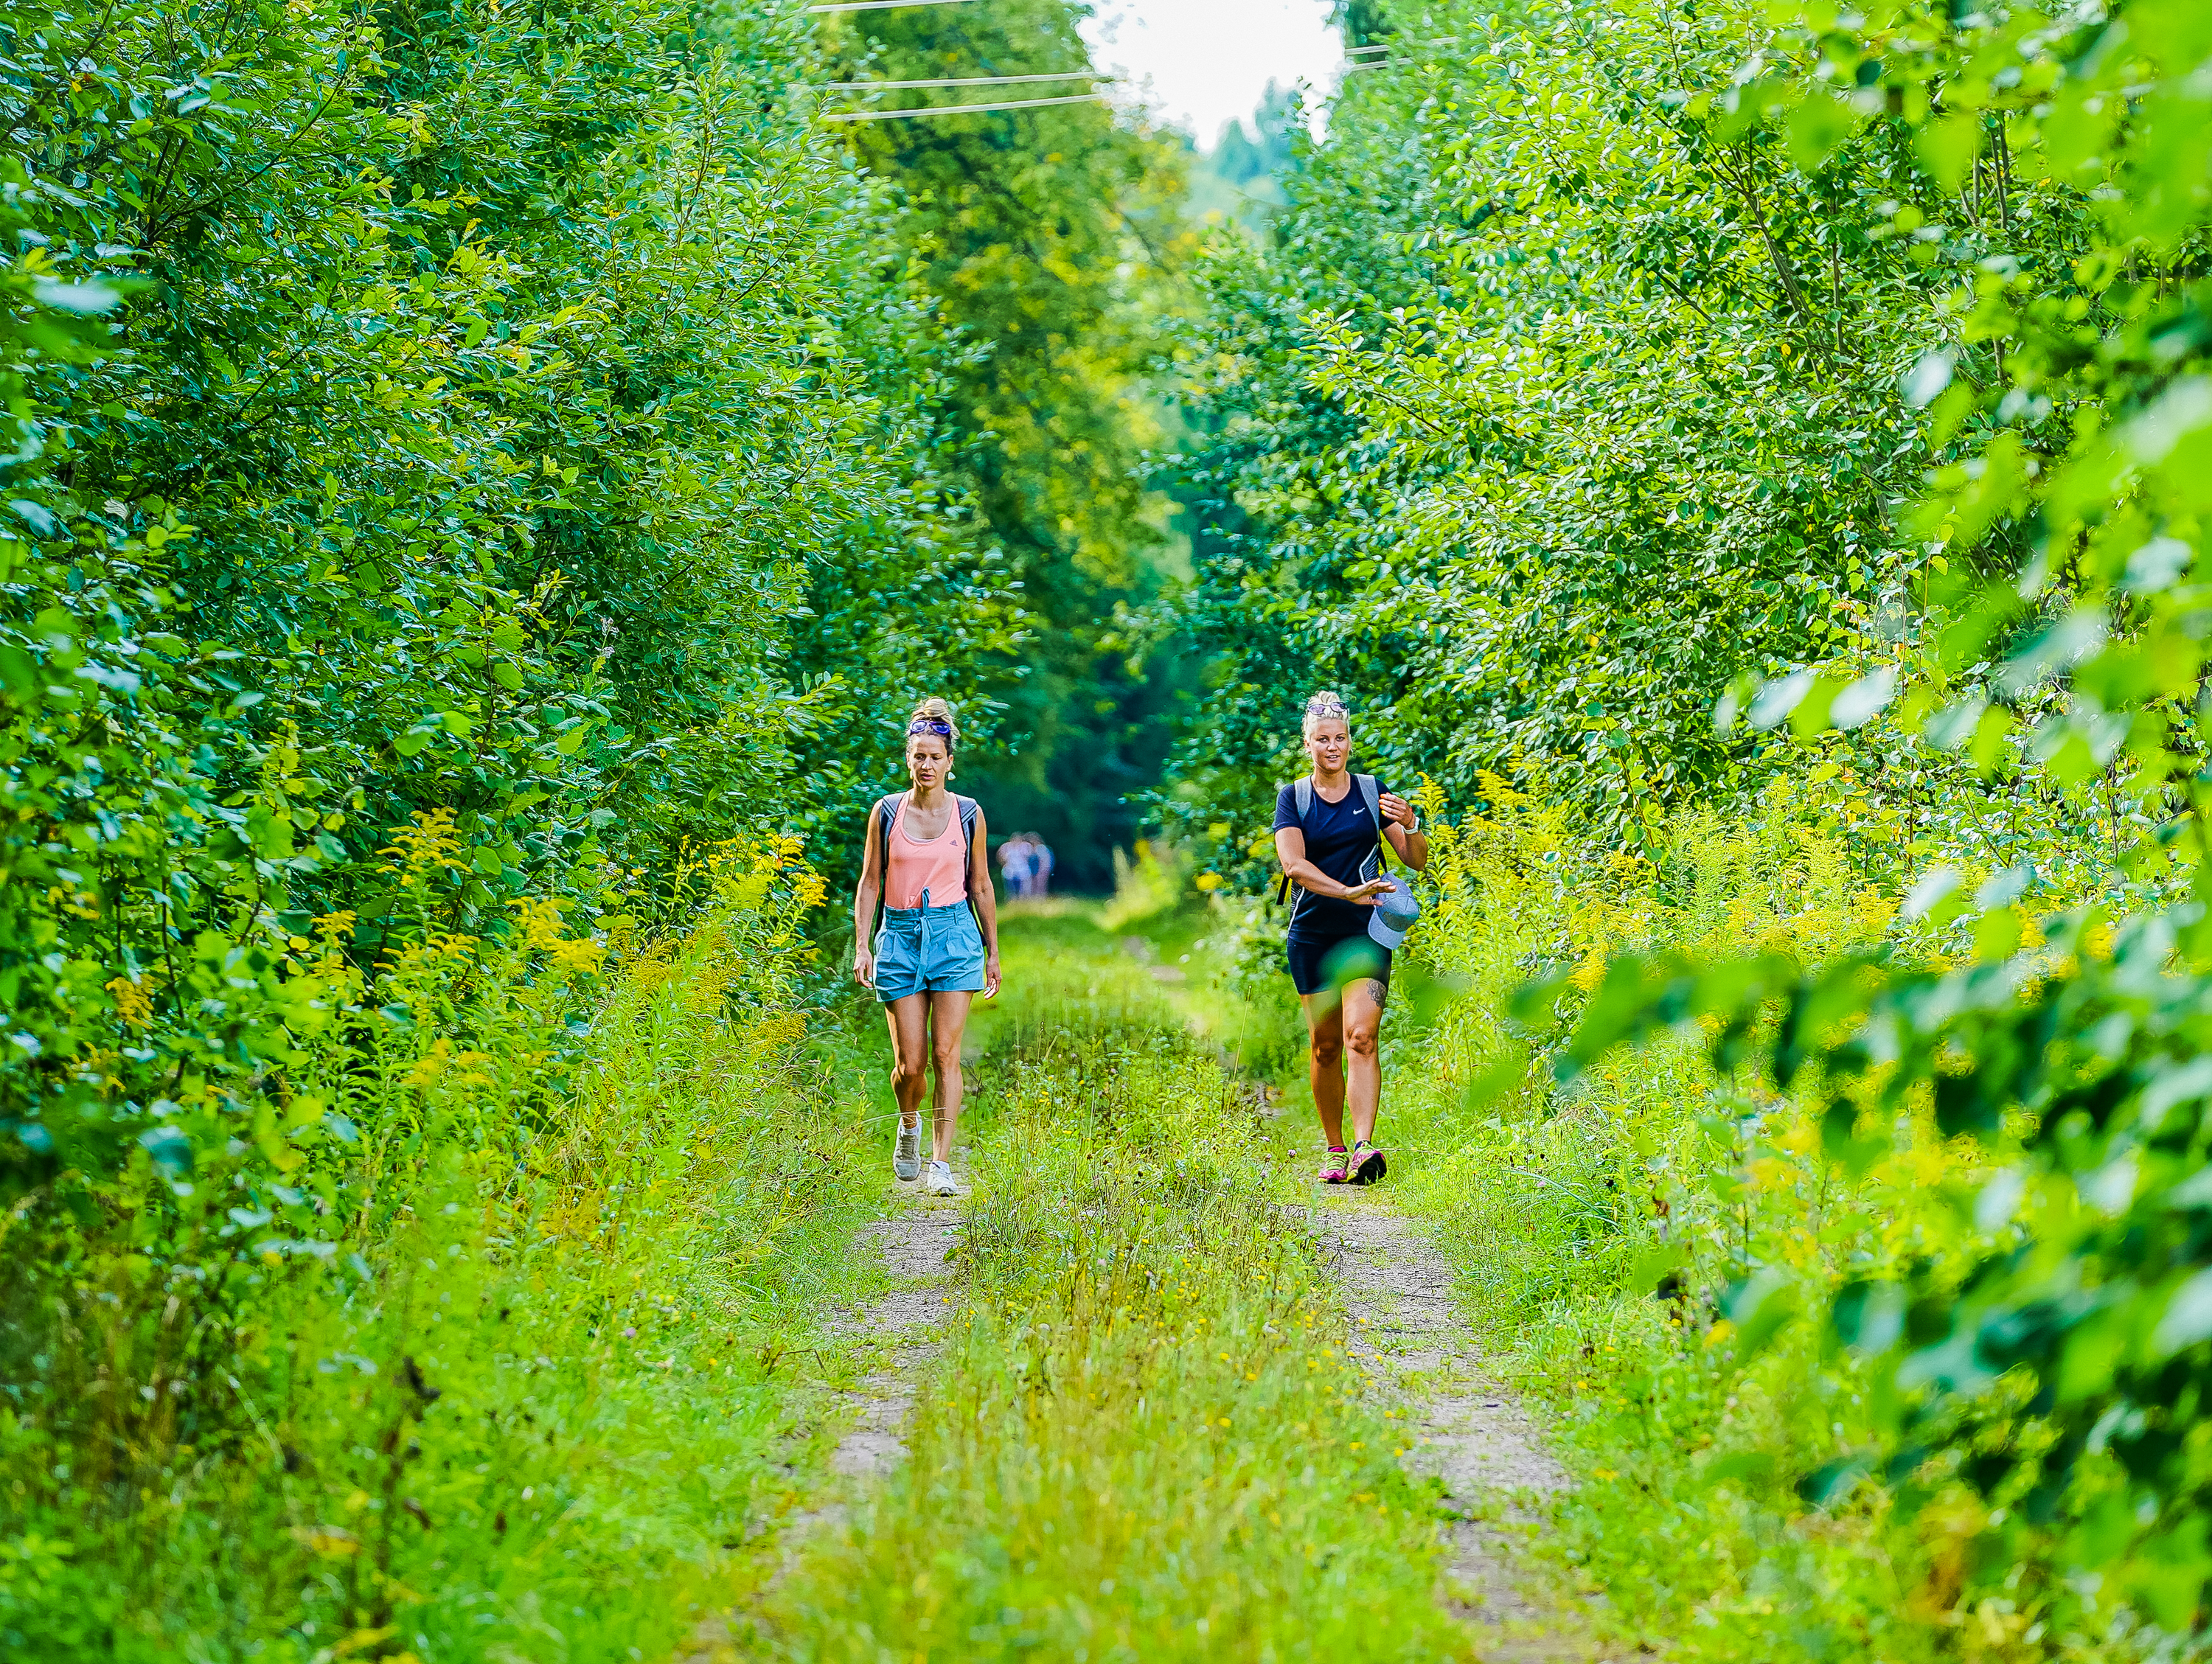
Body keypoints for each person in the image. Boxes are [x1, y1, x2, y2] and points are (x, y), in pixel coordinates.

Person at [1272, 690, 1428, 1186]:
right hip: (1313, 934)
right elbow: (1293, 865)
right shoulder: (1293, 798)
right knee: (1324, 1046)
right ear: (1308, 744)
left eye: (1339, 737)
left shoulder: (1369, 791)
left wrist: (1411, 823)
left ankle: (1364, 1148)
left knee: (1361, 1037)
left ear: (1349, 741)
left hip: (1367, 934)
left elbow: (1415, 858)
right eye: (1323, 739)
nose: (1332, 746)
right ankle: (1335, 1147)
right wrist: (1347, 890)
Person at [852, 697, 1002, 1197]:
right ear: (908, 759)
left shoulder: (970, 814)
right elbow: (870, 882)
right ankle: (910, 1123)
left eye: (936, 756)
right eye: (919, 755)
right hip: (899, 936)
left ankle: (941, 1163)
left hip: (956, 936)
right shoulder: (887, 812)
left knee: (946, 1053)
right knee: (909, 1064)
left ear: (950, 762)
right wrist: (862, 945)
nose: (927, 764)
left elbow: (980, 885)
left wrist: (993, 951)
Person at [998, 832, 1033, 902]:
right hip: (1010, 870)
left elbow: (1030, 857)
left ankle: (1023, 901)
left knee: (1024, 888)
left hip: (1022, 870)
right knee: (1010, 888)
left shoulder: (1026, 846)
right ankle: (1011, 900)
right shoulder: (1006, 847)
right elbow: (1000, 857)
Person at [1026, 834, 1054, 898]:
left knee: (1040, 885)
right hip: (1038, 870)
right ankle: (1038, 898)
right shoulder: (1039, 848)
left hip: (1041, 870)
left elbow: (1042, 861)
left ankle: (1040, 898)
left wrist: (1041, 870)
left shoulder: (1040, 848)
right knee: (1037, 885)